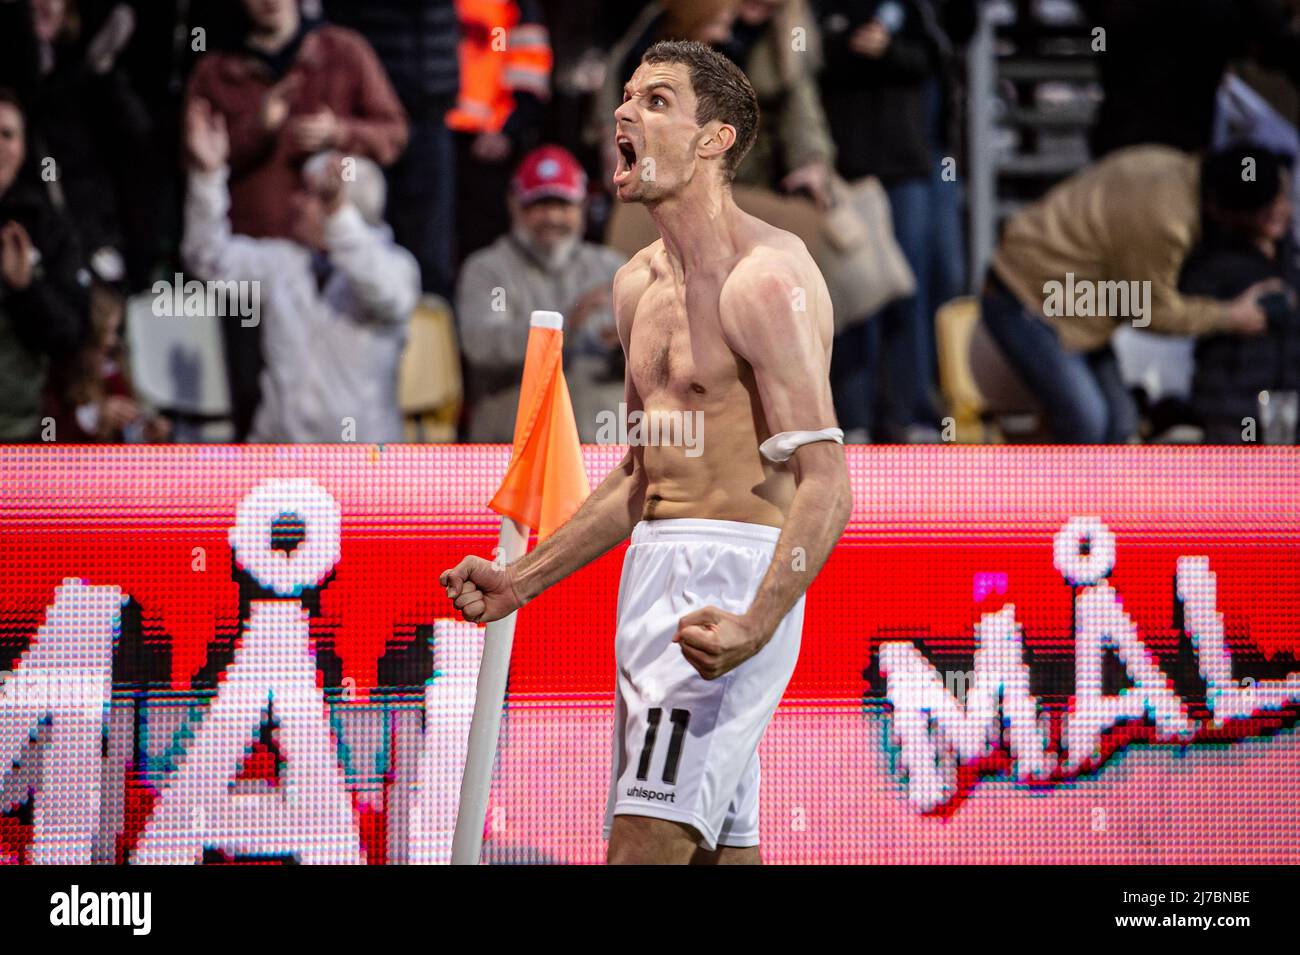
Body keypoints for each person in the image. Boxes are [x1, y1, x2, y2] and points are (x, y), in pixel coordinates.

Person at [440, 40, 852, 864]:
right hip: (653, 572)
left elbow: (827, 485)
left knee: (642, 844)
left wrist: (755, 622)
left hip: (731, 577)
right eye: (627, 96)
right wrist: (520, 580)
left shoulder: (767, 279)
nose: (625, 111)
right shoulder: (635, 284)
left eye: (657, 100)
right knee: (716, 852)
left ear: (715, 140)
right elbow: (638, 477)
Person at [184, 0, 409, 439]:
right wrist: (212, 172)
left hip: (364, 464)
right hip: (279, 458)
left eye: (312, 195)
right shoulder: (281, 266)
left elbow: (384, 291)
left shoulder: (394, 269)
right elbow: (206, 259)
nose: (296, 201)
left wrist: (340, 140)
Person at [982, 143, 1280, 443]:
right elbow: (1149, 311)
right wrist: (1230, 316)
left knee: (1121, 424)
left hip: (1076, 302)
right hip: (1029, 297)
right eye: (1264, 216)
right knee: (1087, 423)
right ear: (1226, 213)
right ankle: (1042, 473)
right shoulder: (1168, 223)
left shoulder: (1168, 162)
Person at [456, 144, 626, 443]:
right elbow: (482, 345)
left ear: (583, 207)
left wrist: (628, 345)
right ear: (514, 205)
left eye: (563, 205)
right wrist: (565, 324)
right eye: (538, 205)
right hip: (516, 446)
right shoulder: (488, 270)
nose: (552, 217)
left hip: (602, 446)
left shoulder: (611, 267)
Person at [1180, 144, 1299, 442]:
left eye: (1283, 197)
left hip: (1284, 408)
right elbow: (1184, 308)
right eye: (1269, 199)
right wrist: (1234, 313)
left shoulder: (1291, 259)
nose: (1278, 208)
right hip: (1230, 408)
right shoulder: (1213, 259)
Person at [0, 87, 89, 442]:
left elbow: (70, 336)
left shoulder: (45, 225)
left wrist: (25, 289)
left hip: (16, 436)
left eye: (7, 134)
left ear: (23, 147)